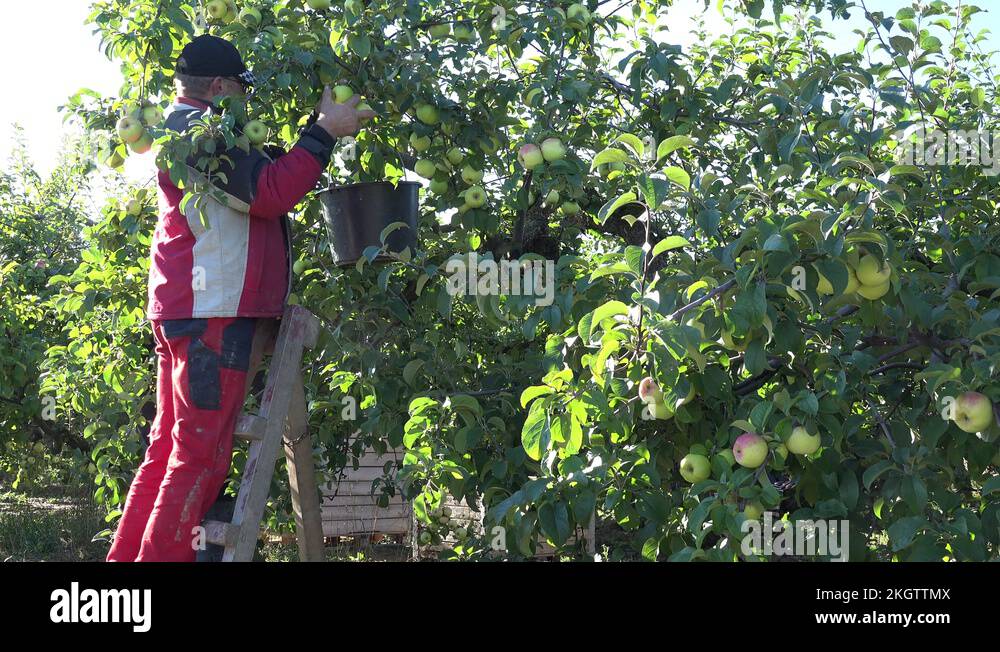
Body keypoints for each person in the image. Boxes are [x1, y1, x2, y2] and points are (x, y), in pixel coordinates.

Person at [106, 34, 373, 562]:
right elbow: (269, 194)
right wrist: (323, 134)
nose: (244, 103)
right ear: (222, 85)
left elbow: (251, 184)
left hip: (190, 306)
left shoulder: (185, 128)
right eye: (240, 92)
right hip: (213, 312)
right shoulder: (197, 132)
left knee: (170, 450)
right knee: (199, 457)